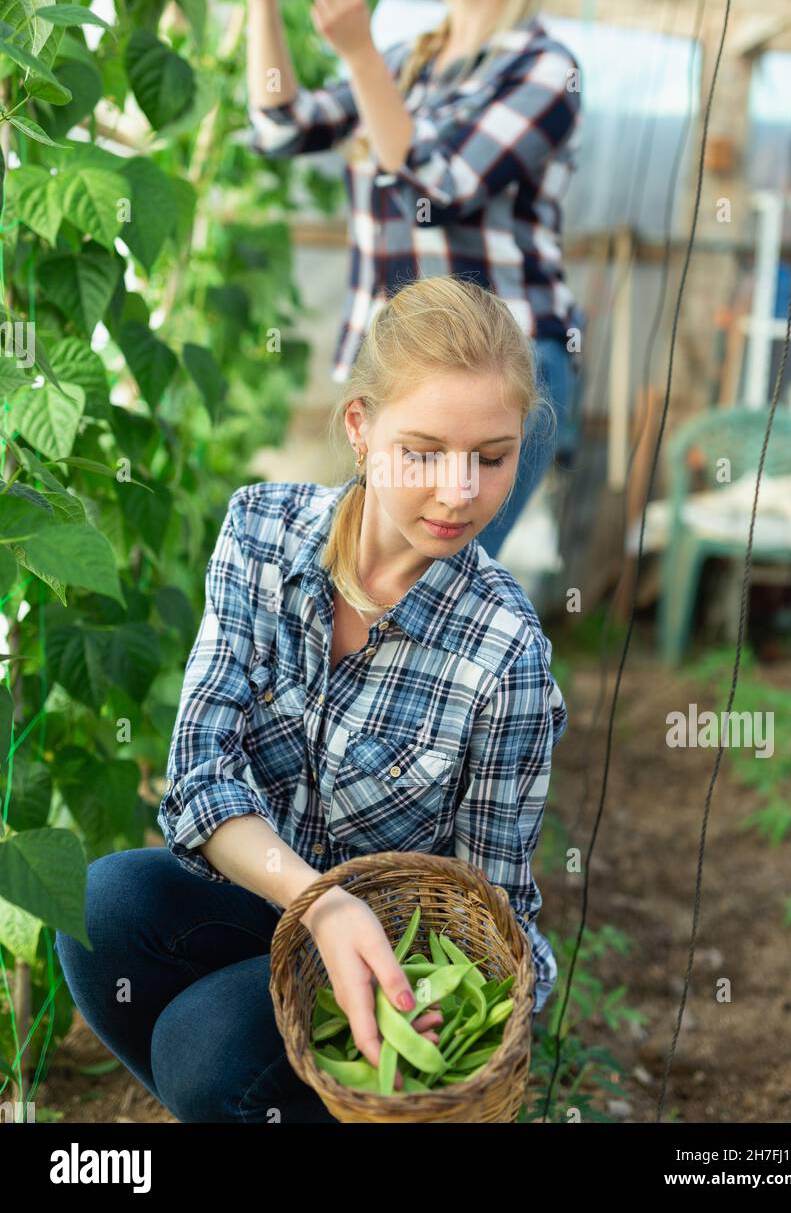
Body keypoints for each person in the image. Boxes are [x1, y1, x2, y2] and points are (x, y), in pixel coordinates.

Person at [54, 275, 568, 1124]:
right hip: (270, 897)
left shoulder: (505, 652)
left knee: (205, 1047)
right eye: (424, 450)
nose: (459, 492)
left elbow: (487, 905)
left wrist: (452, 1013)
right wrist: (318, 901)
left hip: (388, 958)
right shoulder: (260, 533)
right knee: (101, 907)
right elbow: (199, 770)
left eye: (491, 457)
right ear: (361, 430)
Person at [234, 0, 584, 559]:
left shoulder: (545, 68)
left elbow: (444, 183)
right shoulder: (403, 62)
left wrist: (359, 57)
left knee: (430, 584)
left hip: (501, 369)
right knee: (371, 582)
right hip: (402, 372)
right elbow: (281, 125)